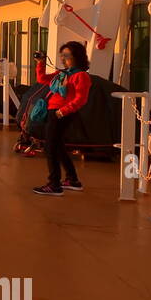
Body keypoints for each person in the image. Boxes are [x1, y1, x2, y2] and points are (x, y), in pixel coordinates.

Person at [32, 40, 92, 196]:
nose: (63, 59)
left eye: (66, 55)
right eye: (62, 55)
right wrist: (40, 63)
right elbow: (42, 79)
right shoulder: (63, 73)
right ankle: (72, 180)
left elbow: (81, 99)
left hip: (61, 114)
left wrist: (63, 111)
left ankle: (54, 184)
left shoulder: (81, 76)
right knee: (58, 147)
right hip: (54, 112)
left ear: (76, 57)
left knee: (50, 148)